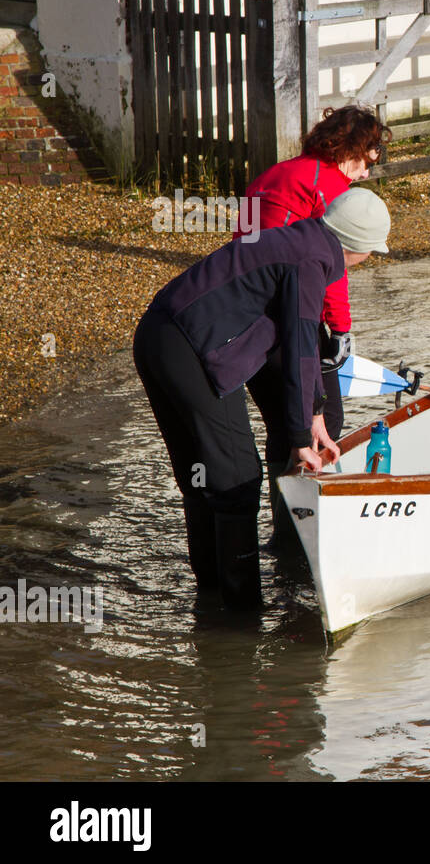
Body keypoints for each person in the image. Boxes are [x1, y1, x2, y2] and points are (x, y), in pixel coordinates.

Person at [134, 188, 391, 610]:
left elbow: (296, 341)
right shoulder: (314, 261)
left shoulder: (299, 238)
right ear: (361, 248)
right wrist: (298, 437)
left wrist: (314, 415)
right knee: (238, 476)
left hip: (156, 337)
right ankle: (242, 616)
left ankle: (211, 600)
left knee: (200, 477)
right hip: (188, 348)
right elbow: (302, 348)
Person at [237, 104, 390, 552]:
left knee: (283, 426)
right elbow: (328, 266)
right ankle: (298, 538)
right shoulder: (328, 187)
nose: (363, 175)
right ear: (349, 151)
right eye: (365, 161)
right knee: (325, 419)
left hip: (244, 316)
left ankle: (279, 525)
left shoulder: (273, 174)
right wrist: (341, 331)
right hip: (287, 316)